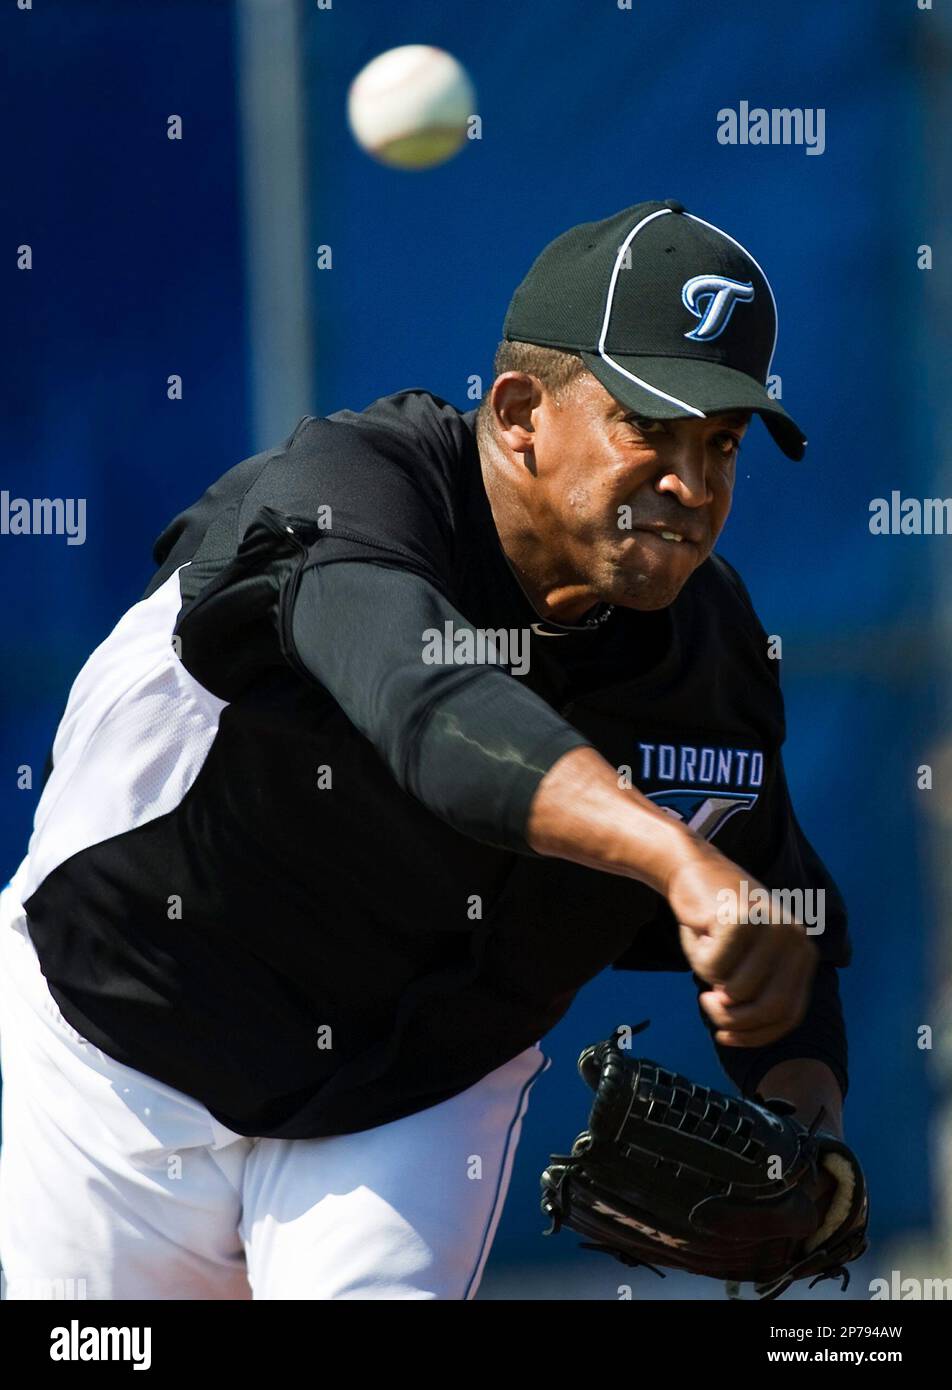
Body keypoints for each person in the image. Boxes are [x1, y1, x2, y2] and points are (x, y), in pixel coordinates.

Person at [0, 198, 850, 1301]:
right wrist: (675, 860)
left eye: (722, 444)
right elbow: (433, 704)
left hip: (412, 1095)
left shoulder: (708, 659)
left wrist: (806, 1127)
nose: (692, 486)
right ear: (517, 413)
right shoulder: (355, 492)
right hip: (124, 1035)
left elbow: (777, 926)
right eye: (651, 427)